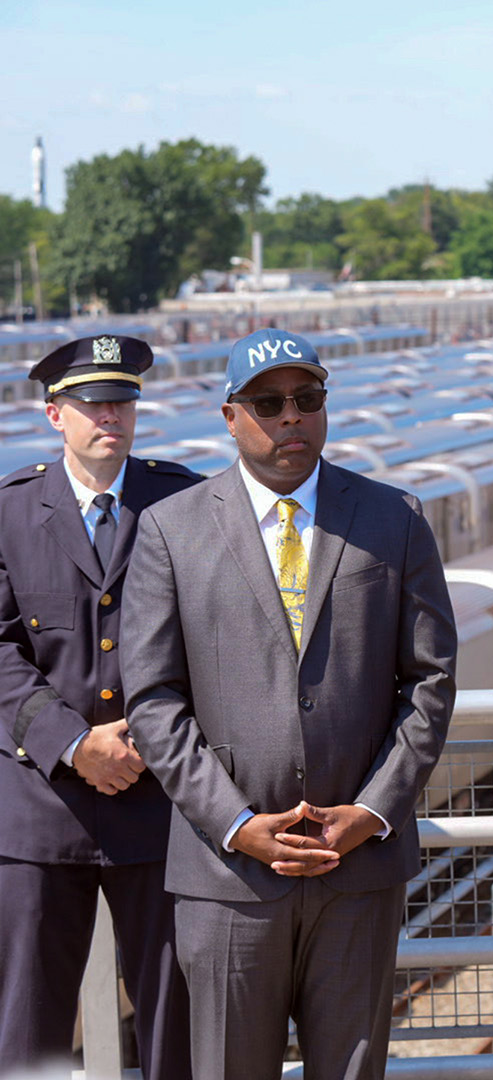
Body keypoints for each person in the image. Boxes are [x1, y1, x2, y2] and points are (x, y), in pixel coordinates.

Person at [121, 328, 457, 1080]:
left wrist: (371, 812)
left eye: (307, 400)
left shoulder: (392, 519)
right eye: (269, 404)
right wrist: (238, 825)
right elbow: (153, 699)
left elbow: (430, 682)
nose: (291, 418)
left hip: (358, 869)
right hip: (227, 878)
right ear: (231, 415)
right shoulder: (171, 531)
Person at [0, 336, 198, 1078]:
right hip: (41, 808)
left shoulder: (184, 502)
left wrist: (147, 738)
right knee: (29, 1030)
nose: (109, 415)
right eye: (90, 403)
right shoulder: (10, 513)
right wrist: (74, 743)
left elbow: (213, 637)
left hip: (163, 806)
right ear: (55, 414)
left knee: (176, 1024)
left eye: (121, 401)